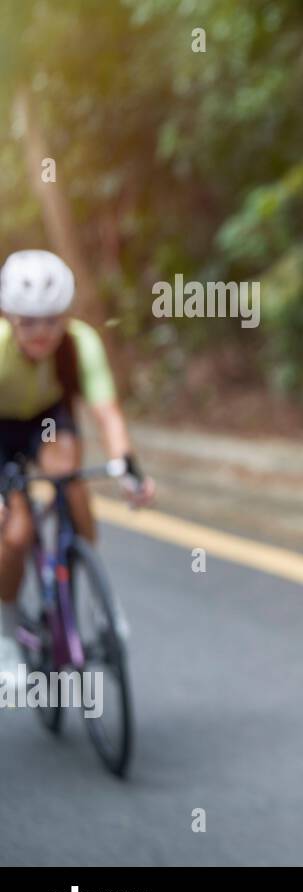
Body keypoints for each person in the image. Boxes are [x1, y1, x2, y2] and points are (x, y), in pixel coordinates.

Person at [0, 249, 155, 680]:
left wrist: (129, 470)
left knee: (71, 481)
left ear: (65, 316)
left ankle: (91, 589)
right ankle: (7, 634)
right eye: (28, 321)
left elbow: (107, 414)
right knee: (14, 534)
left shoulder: (81, 343)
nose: (41, 333)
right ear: (9, 316)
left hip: (48, 420)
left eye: (52, 319)